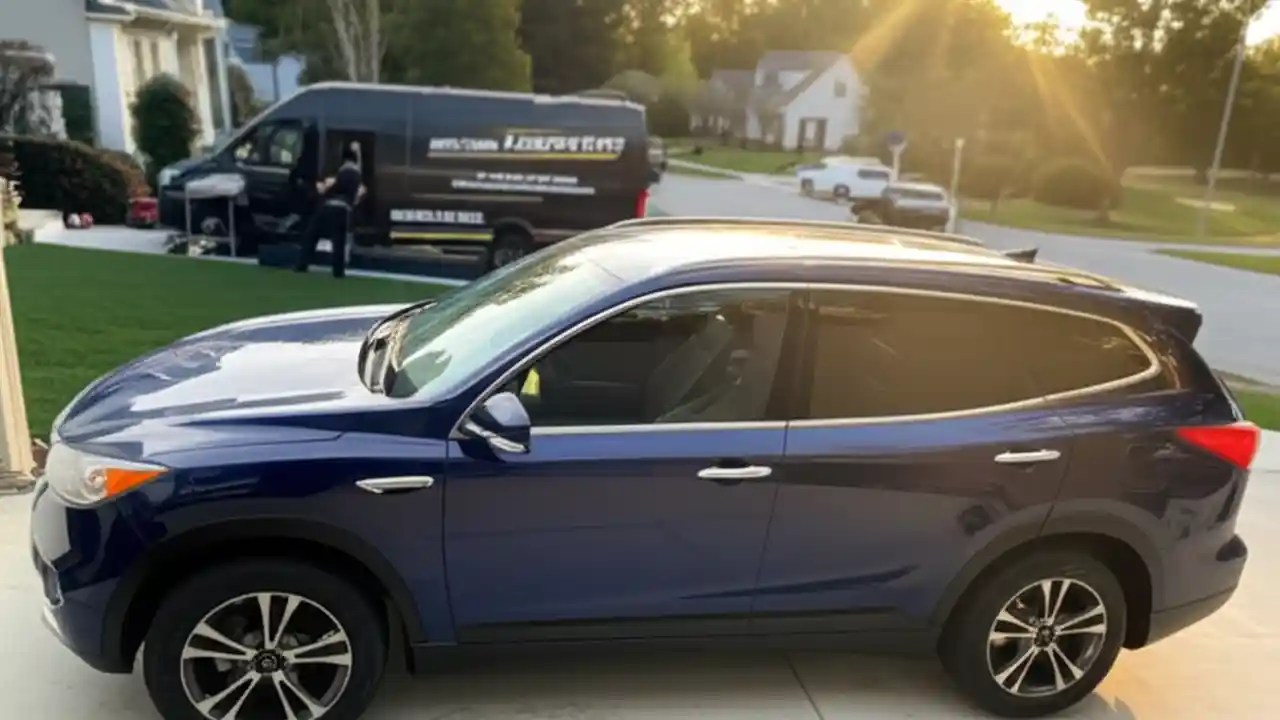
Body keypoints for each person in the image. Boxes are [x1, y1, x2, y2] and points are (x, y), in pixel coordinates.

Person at [295, 143, 365, 278]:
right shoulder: (356, 175)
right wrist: (358, 152)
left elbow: (325, 189)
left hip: (328, 207)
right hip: (343, 210)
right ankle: (338, 272)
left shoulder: (341, 173)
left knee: (311, 235)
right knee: (338, 242)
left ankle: (302, 264)